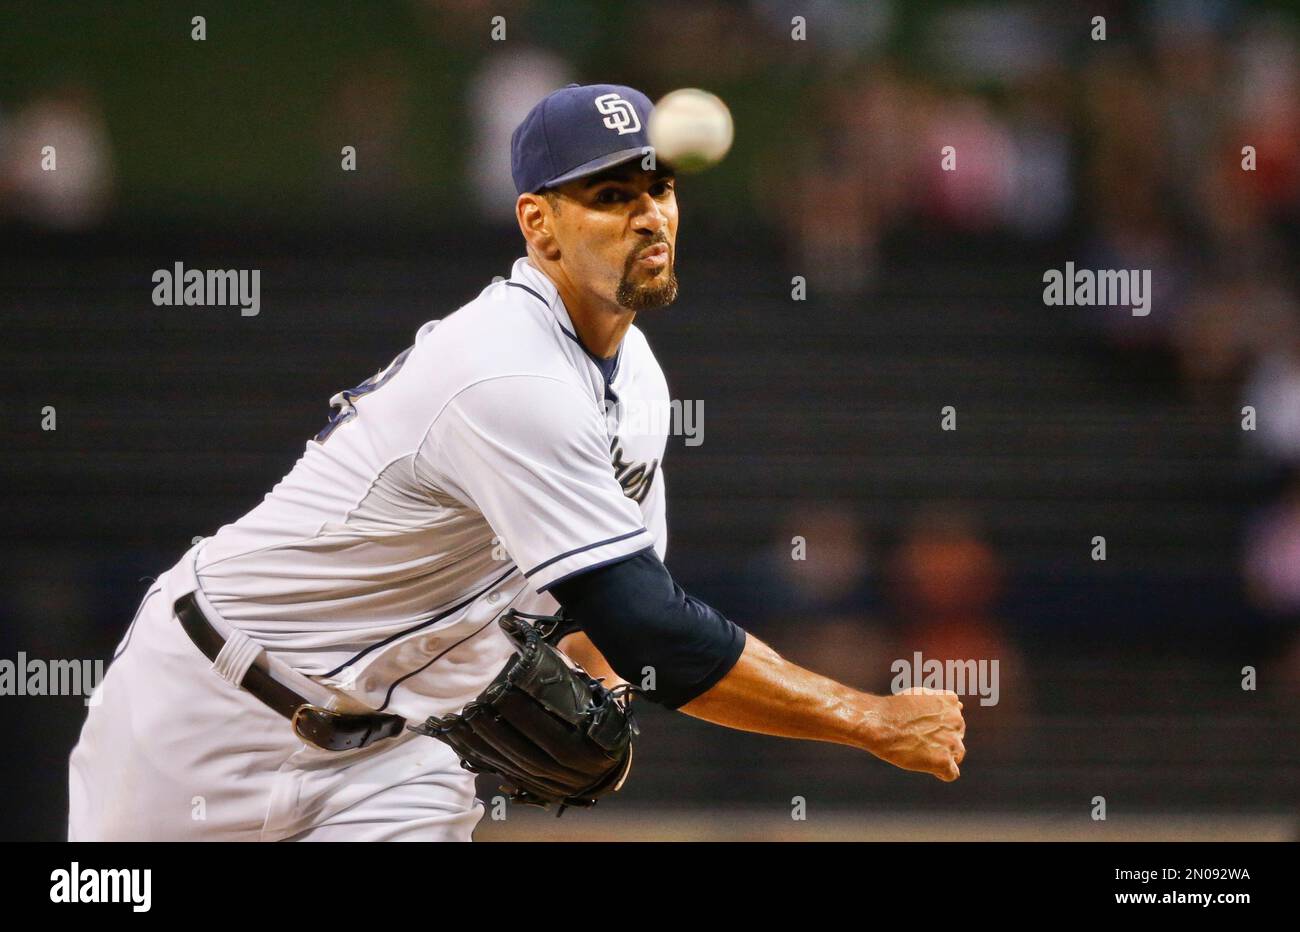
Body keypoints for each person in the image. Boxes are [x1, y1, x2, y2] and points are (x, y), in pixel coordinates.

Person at [68, 83, 965, 842]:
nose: (649, 212)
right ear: (539, 225)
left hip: (393, 753)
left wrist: (594, 688)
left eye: (658, 187)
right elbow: (648, 624)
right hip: (199, 710)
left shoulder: (640, 383)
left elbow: (603, 630)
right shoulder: (506, 370)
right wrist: (869, 720)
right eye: (610, 196)